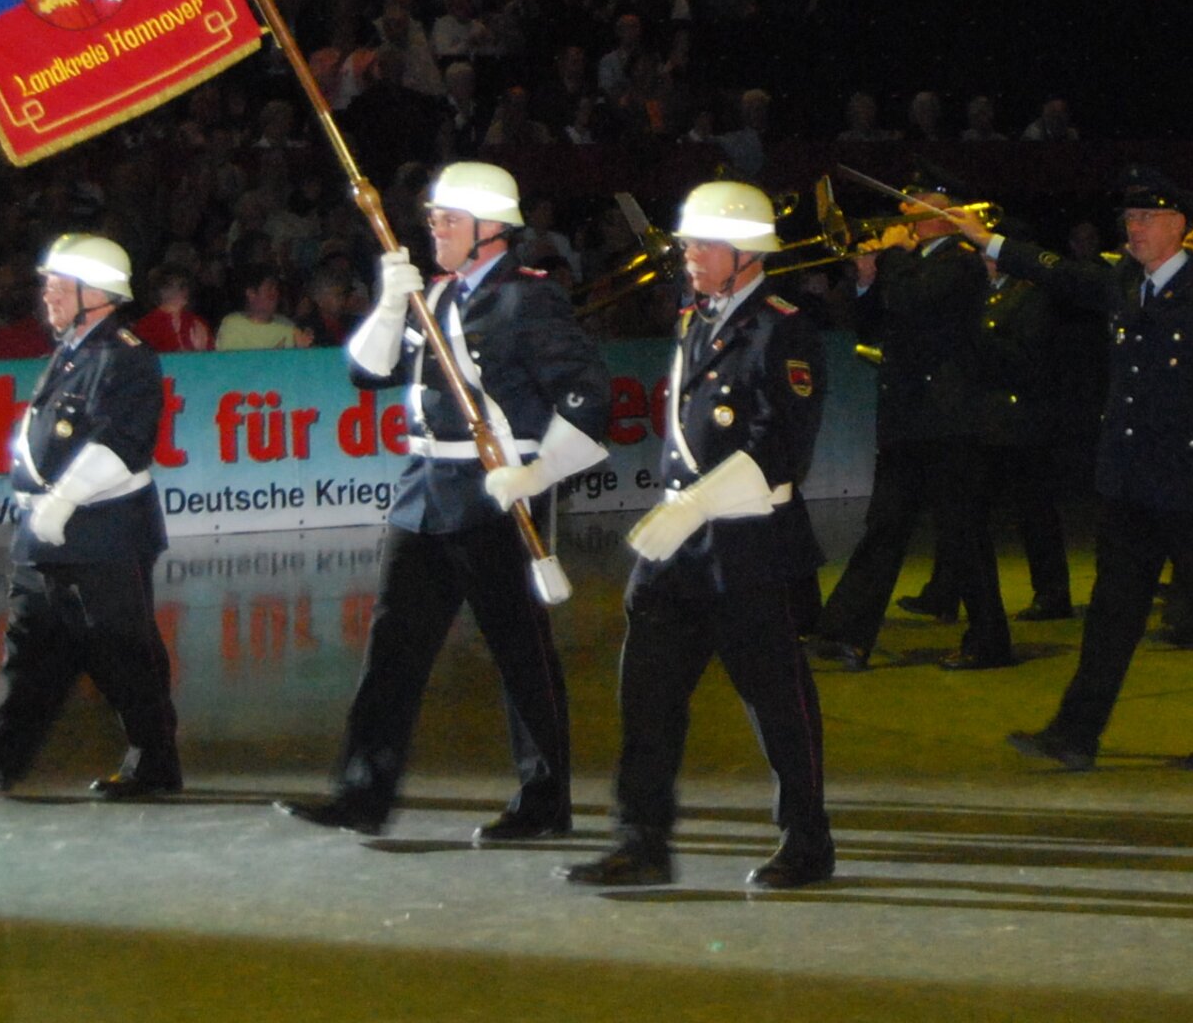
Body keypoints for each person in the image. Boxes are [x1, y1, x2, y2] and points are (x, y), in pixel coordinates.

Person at [278, 163, 611, 839]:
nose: (435, 228)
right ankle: (363, 793)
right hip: (424, 494)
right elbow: (365, 372)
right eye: (433, 217)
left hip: (495, 499)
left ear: (491, 231)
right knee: (392, 652)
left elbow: (587, 398)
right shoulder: (436, 295)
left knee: (522, 656)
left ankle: (545, 802)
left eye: (449, 219)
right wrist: (391, 303)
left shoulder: (528, 300)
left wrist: (538, 474)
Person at [562, 182, 833, 890]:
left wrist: (695, 508)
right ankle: (641, 840)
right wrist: (678, 514)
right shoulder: (697, 318)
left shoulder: (784, 330)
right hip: (679, 552)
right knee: (646, 701)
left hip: (747, 549)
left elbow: (783, 452)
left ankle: (807, 841)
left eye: (702, 243)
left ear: (744, 255)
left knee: (778, 705)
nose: (687, 254)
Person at [954, 167, 1193, 771]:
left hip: (1190, 477)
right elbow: (1057, 271)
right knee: (1111, 613)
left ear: (1179, 227)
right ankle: (1076, 733)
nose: (1134, 229)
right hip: (1130, 480)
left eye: (1147, 219)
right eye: (1129, 219)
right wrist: (986, 240)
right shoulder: (1125, 282)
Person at [0, 235, 181, 799]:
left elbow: (121, 444)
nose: (47, 294)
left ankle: (154, 763)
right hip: (49, 536)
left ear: (95, 292)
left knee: (123, 653)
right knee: (32, 647)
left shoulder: (125, 356)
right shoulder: (74, 348)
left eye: (58, 284)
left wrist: (61, 503)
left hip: (103, 535)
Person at [812, 173, 1012, 671]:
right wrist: (864, 279)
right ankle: (847, 632)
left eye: (911, 208)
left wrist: (892, 259)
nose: (901, 218)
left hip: (948, 419)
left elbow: (915, 303)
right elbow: (872, 324)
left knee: (962, 533)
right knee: (884, 527)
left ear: (937, 214)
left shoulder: (960, 264)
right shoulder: (909, 266)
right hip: (907, 418)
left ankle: (990, 641)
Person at [899, 217, 1073, 624]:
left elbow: (1027, 359)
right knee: (962, 511)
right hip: (982, 418)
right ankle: (945, 591)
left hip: (1020, 419)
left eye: (983, 253)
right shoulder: (979, 295)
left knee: (1034, 512)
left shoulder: (1029, 295)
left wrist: (974, 343)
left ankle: (1053, 593)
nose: (977, 260)